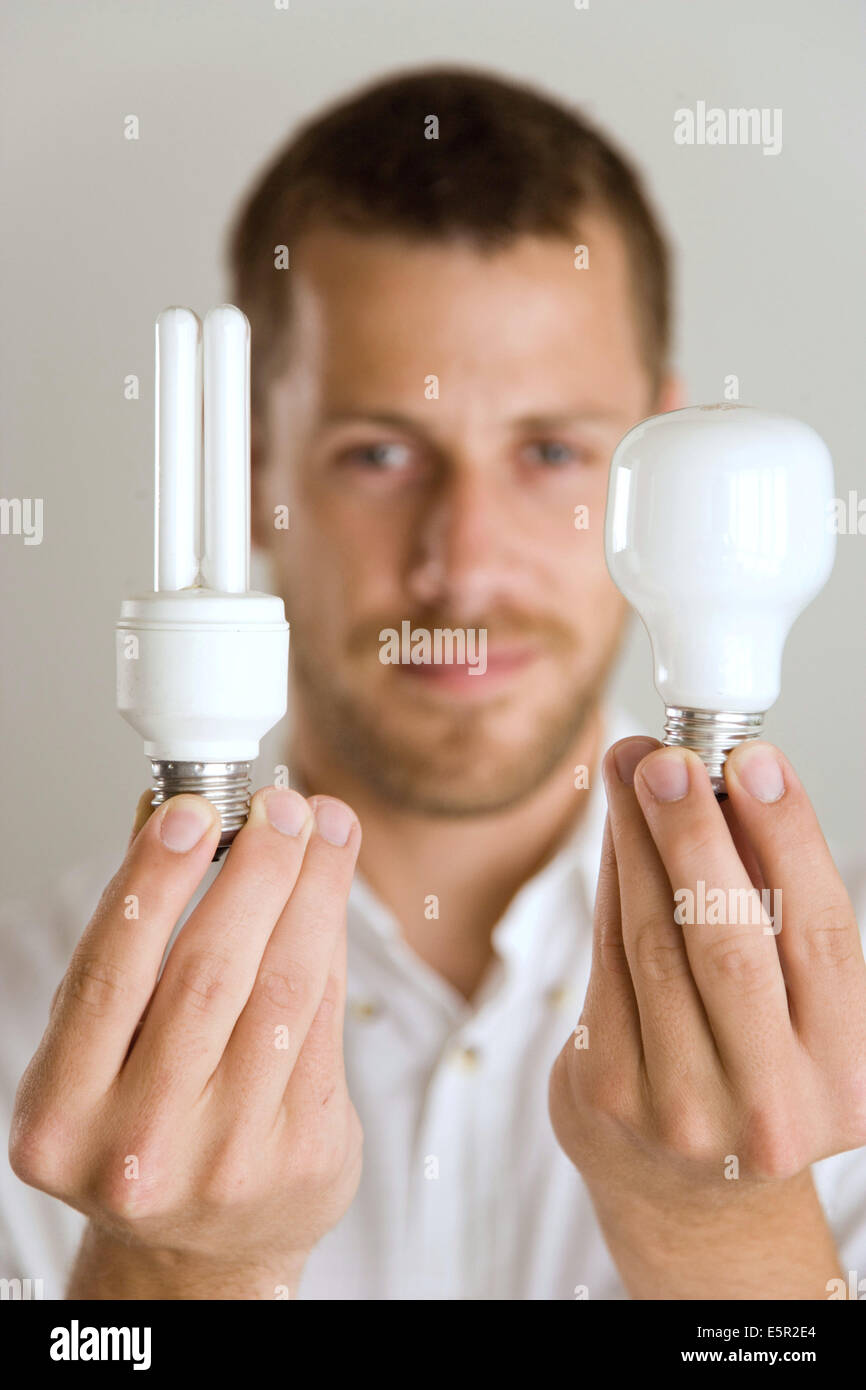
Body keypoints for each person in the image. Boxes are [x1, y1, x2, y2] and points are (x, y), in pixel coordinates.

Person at [3, 66, 865, 1302]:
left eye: (551, 450)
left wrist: (725, 1240)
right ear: (247, 468)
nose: (459, 566)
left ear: (656, 472)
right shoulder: (35, 1058)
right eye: (380, 453)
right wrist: (168, 1274)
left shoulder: (836, 1055)